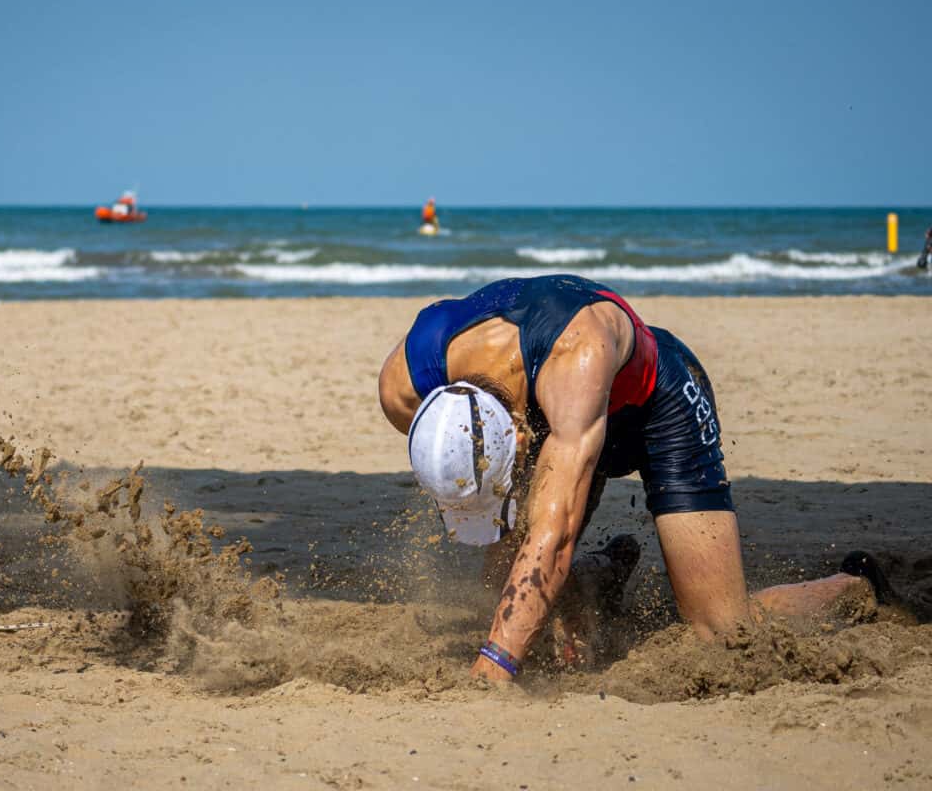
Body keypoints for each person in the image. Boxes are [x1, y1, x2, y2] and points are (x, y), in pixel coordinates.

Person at [377, 275, 891, 682]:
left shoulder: (573, 351)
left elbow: (550, 538)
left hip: (656, 405)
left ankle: (856, 585)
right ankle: (600, 575)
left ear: (517, 435)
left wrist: (493, 668)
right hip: (555, 417)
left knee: (724, 632)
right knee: (500, 574)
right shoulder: (405, 388)